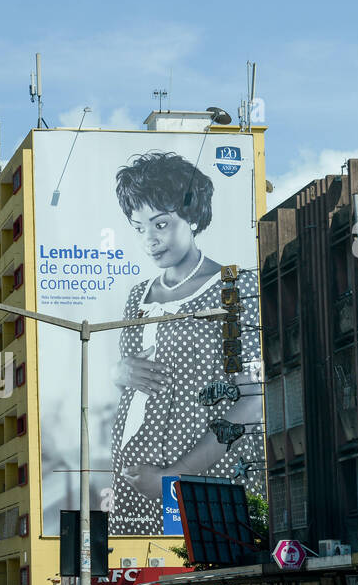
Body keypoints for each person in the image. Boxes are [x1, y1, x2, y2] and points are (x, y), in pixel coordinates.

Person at [109, 150, 264, 535]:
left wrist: (171, 477)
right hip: (130, 486)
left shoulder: (234, 287)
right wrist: (119, 372)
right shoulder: (136, 296)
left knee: (206, 583)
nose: (150, 240)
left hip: (200, 478)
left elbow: (253, 400)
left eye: (161, 224)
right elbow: (136, 385)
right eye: (139, 227)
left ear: (192, 217)